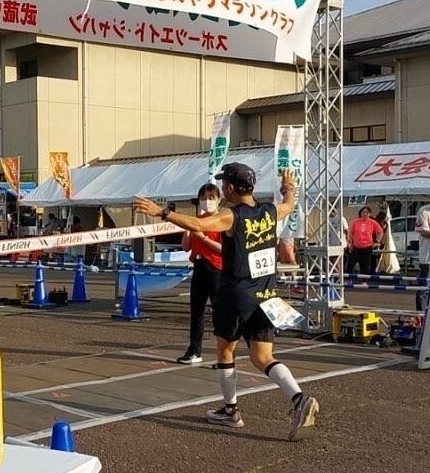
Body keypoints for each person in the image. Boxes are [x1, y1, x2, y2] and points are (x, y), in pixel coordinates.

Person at [136, 162, 319, 439]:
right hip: (266, 295)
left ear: (231, 187)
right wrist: (289, 187)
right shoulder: (270, 210)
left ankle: (230, 411)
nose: (221, 189)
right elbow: (289, 205)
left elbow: (198, 224)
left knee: (225, 351)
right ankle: (298, 398)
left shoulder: (232, 216)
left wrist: (162, 212)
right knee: (263, 357)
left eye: (224, 184)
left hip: (235, 294)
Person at [177, 184, 223, 365]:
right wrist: (187, 230)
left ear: (219, 199)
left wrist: (203, 237)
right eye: (204, 198)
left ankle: (224, 355)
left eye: (211, 198)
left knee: (220, 313)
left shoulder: (222, 220)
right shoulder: (196, 220)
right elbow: (186, 246)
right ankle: (194, 350)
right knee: (196, 311)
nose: (207, 202)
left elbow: (224, 250)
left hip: (217, 268)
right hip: (199, 266)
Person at [347, 206, 384, 276]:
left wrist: (377, 242)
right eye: (363, 212)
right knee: (350, 263)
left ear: (369, 214)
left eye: (367, 212)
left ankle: (364, 281)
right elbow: (351, 233)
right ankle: (349, 279)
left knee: (365, 266)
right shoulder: (356, 222)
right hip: (356, 246)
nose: (365, 214)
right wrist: (350, 243)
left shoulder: (372, 222)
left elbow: (380, 232)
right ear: (360, 213)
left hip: (367, 247)